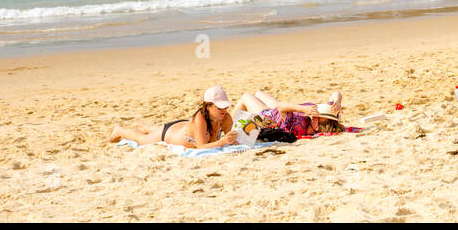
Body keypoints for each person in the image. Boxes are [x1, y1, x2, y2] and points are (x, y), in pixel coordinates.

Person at [109, 85, 238, 148]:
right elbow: (201, 146)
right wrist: (223, 141)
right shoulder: (200, 118)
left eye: (225, 106)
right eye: (219, 107)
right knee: (142, 139)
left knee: (154, 130)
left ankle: (145, 126)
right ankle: (120, 130)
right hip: (169, 135)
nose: (224, 110)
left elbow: (234, 142)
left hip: (181, 127)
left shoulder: (225, 117)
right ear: (208, 106)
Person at [231, 89, 346, 137]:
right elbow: (336, 93)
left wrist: (303, 109)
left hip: (267, 117)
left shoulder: (299, 124)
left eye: (316, 116)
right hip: (279, 113)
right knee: (259, 93)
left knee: (246, 97)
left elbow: (281, 108)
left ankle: (229, 128)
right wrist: (338, 102)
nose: (314, 114)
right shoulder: (329, 118)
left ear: (316, 126)